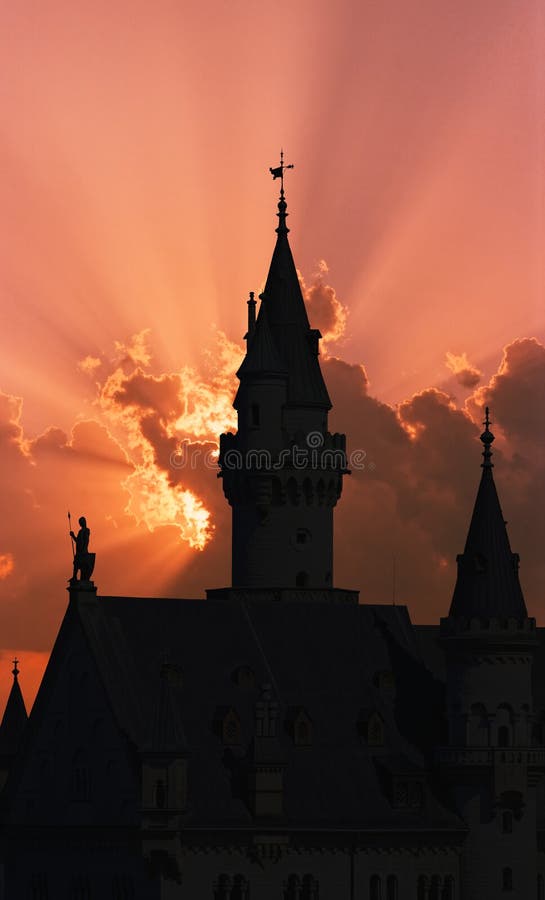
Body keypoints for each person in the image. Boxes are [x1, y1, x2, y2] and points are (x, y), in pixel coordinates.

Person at [70, 517, 92, 582]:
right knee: (76, 563)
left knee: (80, 564)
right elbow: (78, 541)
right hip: (79, 551)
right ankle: (74, 577)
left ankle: (76, 577)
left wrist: (84, 549)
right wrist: (73, 535)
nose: (81, 524)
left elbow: (86, 541)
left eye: (82, 522)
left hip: (83, 551)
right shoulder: (80, 531)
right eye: (80, 523)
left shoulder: (87, 530)